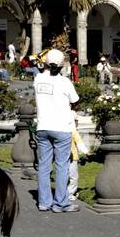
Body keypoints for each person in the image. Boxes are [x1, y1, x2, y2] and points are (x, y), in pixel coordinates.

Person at [34, 48, 81, 212]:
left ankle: (44, 202)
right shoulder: (65, 82)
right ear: (62, 66)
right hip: (61, 128)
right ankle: (60, 203)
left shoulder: (38, 79)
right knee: (62, 166)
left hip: (42, 127)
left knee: (44, 165)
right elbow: (76, 101)